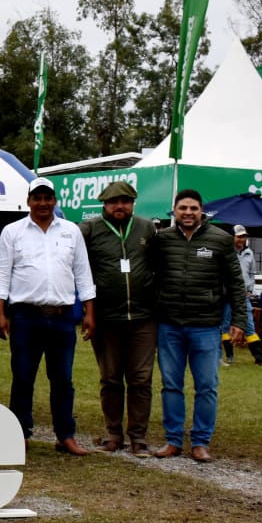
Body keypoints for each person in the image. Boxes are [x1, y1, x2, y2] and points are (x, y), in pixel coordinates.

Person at [0, 177, 96, 456]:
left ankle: (65, 435)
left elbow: (83, 274)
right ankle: (20, 433)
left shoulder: (71, 231)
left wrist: (89, 312)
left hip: (62, 318)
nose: (42, 203)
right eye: (37, 198)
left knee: (62, 379)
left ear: (55, 200)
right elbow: (1, 275)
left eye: (47, 198)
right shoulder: (12, 232)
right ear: (28, 201)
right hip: (25, 317)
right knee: (23, 377)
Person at [148, 189, 246, 462]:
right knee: (171, 384)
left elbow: (236, 283)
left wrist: (239, 320)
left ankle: (201, 442)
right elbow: (151, 277)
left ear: (201, 211)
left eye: (193, 208)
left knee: (206, 385)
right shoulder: (162, 240)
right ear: (175, 211)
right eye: (183, 208)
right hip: (169, 325)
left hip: (206, 325)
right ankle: (173, 440)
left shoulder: (221, 240)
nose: (188, 213)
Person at [77, 180, 158, 457]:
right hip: (106, 318)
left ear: (133, 203)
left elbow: (158, 265)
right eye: (113, 202)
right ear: (104, 205)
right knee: (110, 378)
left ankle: (138, 437)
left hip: (143, 317)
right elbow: (79, 268)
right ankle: (113, 434)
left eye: (125, 201)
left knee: (140, 379)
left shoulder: (147, 228)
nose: (119, 206)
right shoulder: (89, 230)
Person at [227, 225, 262, 366]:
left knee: (249, 324)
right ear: (232, 237)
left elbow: (252, 273)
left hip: (243, 294)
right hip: (227, 294)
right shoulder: (226, 252)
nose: (242, 239)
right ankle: (228, 357)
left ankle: (259, 357)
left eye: (244, 236)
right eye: (239, 236)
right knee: (224, 325)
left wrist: (250, 289)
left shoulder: (250, 253)